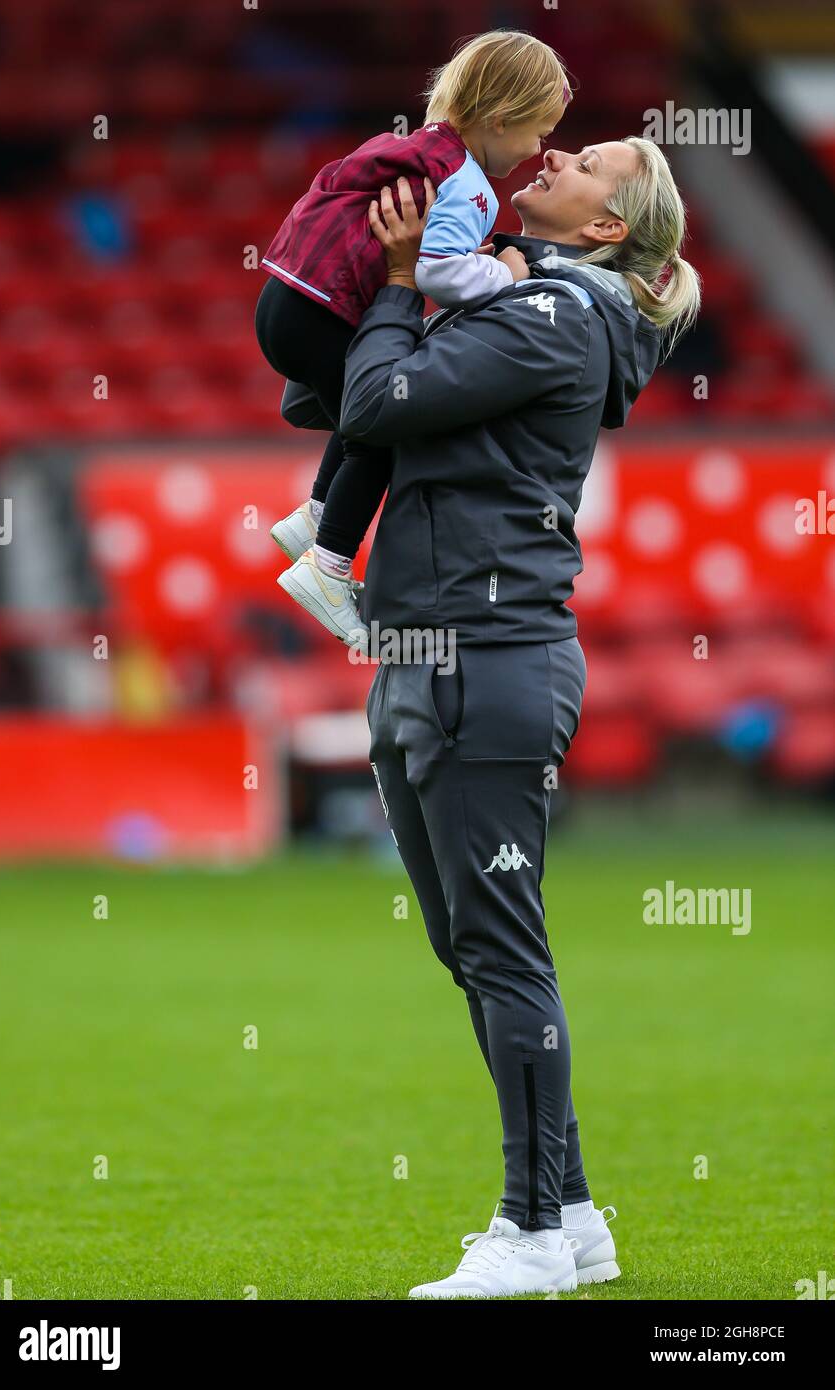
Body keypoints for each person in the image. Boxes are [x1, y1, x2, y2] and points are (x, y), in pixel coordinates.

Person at [335, 137, 701, 1298]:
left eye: (589, 161)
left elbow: (375, 401)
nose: (555, 155)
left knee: (500, 949)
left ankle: (529, 1227)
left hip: (481, 655)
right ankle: (575, 1213)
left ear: (605, 227)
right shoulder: (528, 299)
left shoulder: (550, 314)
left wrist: (396, 284)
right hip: (429, 650)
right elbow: (348, 398)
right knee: (470, 949)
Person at [254, 30, 571, 642]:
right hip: (324, 313)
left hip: (286, 303)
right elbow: (439, 272)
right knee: (382, 425)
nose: (537, 151)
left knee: (356, 409)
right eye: (538, 133)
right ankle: (329, 565)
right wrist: (502, 272)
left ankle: (315, 517)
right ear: (502, 119)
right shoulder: (470, 184)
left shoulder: (417, 148)